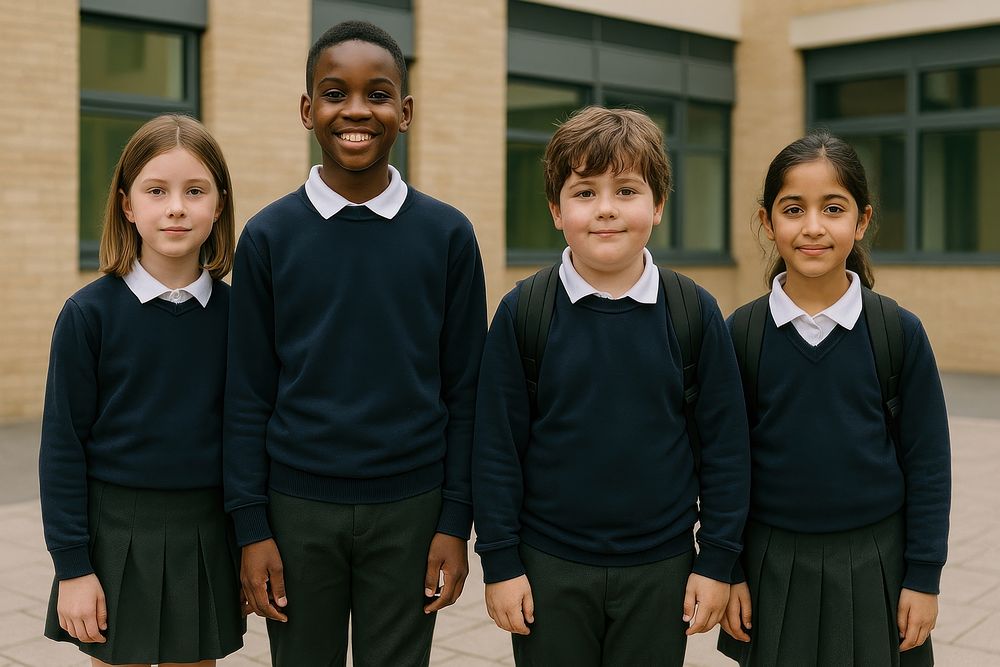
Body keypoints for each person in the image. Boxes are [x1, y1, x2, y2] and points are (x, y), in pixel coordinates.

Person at [223, 20, 487, 667]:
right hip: (296, 509)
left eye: (378, 93)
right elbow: (247, 392)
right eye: (336, 93)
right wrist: (252, 527)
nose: (357, 110)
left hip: (411, 507)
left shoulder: (447, 235)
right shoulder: (268, 236)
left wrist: (455, 520)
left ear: (406, 111)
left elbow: (466, 390)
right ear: (308, 109)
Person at [472, 105, 750, 666]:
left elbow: (725, 448)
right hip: (549, 566)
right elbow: (496, 449)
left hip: (661, 569)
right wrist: (501, 563)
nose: (605, 210)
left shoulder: (693, 312)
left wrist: (716, 562)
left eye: (626, 190)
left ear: (658, 205)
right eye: (584, 193)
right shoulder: (524, 312)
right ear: (556, 209)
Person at [717, 131, 950, 666]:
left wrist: (923, 576)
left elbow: (930, 464)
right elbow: (723, 464)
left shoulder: (897, 333)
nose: (813, 227)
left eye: (833, 208)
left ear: (862, 220)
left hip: (877, 561)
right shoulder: (740, 335)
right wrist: (727, 570)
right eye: (793, 209)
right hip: (772, 562)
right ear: (766, 221)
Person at [39, 114, 243, 666]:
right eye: (157, 191)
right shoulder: (88, 315)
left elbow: (250, 432)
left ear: (218, 205)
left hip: (207, 528)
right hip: (115, 532)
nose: (176, 207)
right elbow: (62, 449)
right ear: (128, 205)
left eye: (194, 191)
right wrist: (73, 567)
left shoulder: (240, 316)